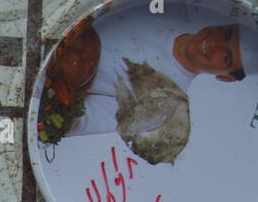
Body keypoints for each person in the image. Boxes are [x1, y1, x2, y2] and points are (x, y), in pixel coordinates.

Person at [69, 19, 246, 137]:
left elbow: (79, 120)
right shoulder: (164, 5)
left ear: (226, 78)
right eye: (226, 35)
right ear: (223, 24)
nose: (216, 45)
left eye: (226, 57)